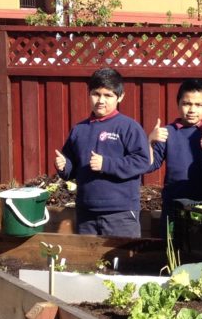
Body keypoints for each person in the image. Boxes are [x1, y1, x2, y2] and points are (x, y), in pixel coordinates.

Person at [54, 67, 152, 237]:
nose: (101, 100)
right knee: (88, 263)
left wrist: (107, 164)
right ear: (89, 94)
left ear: (120, 97)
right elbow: (72, 167)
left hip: (120, 213)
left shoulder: (128, 127)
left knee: (122, 262)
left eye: (108, 95)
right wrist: (64, 166)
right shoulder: (79, 129)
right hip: (86, 212)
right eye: (96, 94)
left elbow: (142, 161)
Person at [146, 78, 202, 230]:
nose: (192, 110)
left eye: (198, 105)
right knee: (172, 251)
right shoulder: (167, 132)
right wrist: (150, 142)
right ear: (178, 104)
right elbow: (151, 165)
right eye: (186, 104)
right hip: (175, 205)